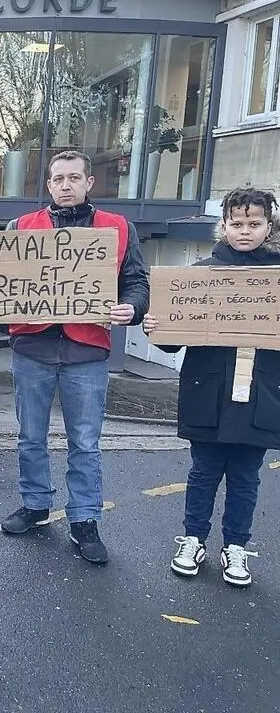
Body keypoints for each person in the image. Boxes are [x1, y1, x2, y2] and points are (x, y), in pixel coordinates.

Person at [0, 150, 149, 564]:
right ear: (49, 185)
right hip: (32, 349)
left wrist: (133, 307)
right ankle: (36, 505)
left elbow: (136, 282)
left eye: (74, 178)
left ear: (89, 183)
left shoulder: (119, 228)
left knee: (85, 443)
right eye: (58, 179)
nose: (66, 185)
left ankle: (84, 519)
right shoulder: (21, 227)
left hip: (87, 350)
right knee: (30, 437)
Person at [143, 188, 280, 587]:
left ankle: (235, 546)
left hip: (260, 394)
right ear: (223, 226)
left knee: (246, 477)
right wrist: (157, 327)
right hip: (209, 393)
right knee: (202, 472)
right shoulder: (199, 274)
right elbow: (171, 338)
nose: (245, 231)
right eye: (237, 224)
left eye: (254, 224)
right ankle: (193, 539)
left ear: (268, 226)